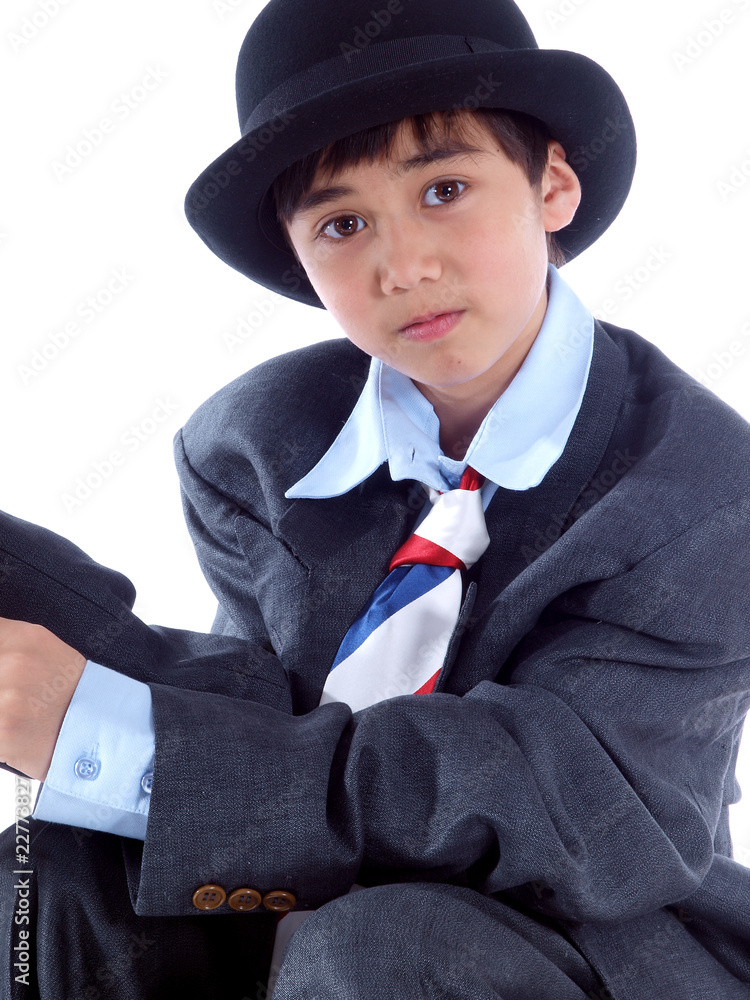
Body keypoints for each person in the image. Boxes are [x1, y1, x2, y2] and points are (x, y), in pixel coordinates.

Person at [1, 0, 750, 997]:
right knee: (56, 861)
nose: (404, 266)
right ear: (298, 257)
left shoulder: (703, 493)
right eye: (343, 223)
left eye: (444, 188)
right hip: (325, 910)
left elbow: (563, 809)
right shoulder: (256, 441)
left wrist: (119, 734)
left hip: (591, 936)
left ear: (554, 185)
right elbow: (266, 718)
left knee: (384, 946)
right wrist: (61, 656)